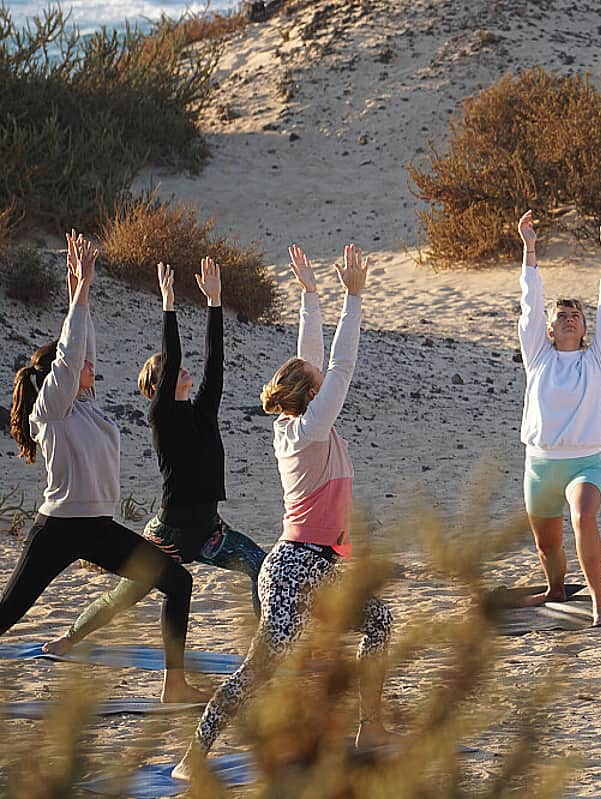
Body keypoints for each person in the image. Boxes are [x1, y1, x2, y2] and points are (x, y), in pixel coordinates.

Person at [173, 243, 394, 779]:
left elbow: (315, 365)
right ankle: (193, 753)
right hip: (294, 569)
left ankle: (370, 724)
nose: (321, 381)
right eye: (315, 385)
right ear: (310, 397)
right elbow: (338, 366)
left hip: (317, 565)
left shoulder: (301, 422)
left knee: (380, 622)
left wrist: (311, 296)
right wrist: (354, 300)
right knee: (260, 670)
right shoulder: (307, 430)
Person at [3, 231, 204, 702]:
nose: (92, 367)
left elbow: (80, 348)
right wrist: (78, 292)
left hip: (97, 529)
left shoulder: (85, 403)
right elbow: (72, 354)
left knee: (179, 582)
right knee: (6, 614)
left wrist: (82, 288)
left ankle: (173, 686)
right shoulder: (51, 409)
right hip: (57, 530)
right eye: (81, 368)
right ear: (60, 376)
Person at [43, 257, 267, 659]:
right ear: (156, 386)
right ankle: (69, 639)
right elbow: (173, 351)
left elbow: (215, 362)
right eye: (169, 368)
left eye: (179, 368)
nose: (180, 369)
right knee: (123, 597)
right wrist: (168, 304)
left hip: (210, 533)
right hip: (169, 537)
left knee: (260, 566)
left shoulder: (203, 412)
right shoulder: (161, 416)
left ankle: (267, 649)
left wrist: (215, 304)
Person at [515, 209, 601, 626]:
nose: (570, 317)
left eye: (576, 315)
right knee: (547, 546)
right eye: (561, 315)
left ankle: (598, 605)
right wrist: (529, 250)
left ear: (583, 328)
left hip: (584, 463)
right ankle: (556, 589)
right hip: (539, 464)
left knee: (583, 516)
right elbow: (529, 305)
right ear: (550, 328)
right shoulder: (537, 357)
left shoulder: (597, 360)